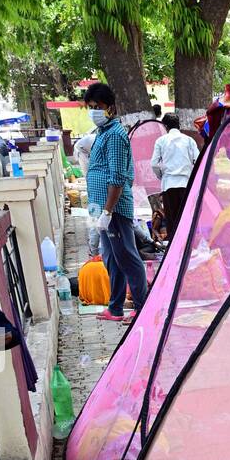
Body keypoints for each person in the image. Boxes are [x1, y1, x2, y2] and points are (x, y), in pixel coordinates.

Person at [84, 83, 149, 325]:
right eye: (90, 108)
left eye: (97, 107)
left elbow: (117, 177)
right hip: (101, 209)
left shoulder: (116, 135)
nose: (94, 111)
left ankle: (143, 308)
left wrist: (108, 211)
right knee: (112, 258)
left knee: (128, 258)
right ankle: (116, 307)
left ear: (109, 107)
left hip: (114, 209)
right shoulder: (102, 132)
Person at [150, 113, 199, 240]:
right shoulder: (189, 140)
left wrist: (162, 176)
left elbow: (154, 164)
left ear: (165, 126)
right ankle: (187, 246)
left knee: (172, 221)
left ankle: (174, 248)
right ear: (179, 125)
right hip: (186, 185)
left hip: (169, 185)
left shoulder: (161, 141)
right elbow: (198, 160)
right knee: (186, 219)